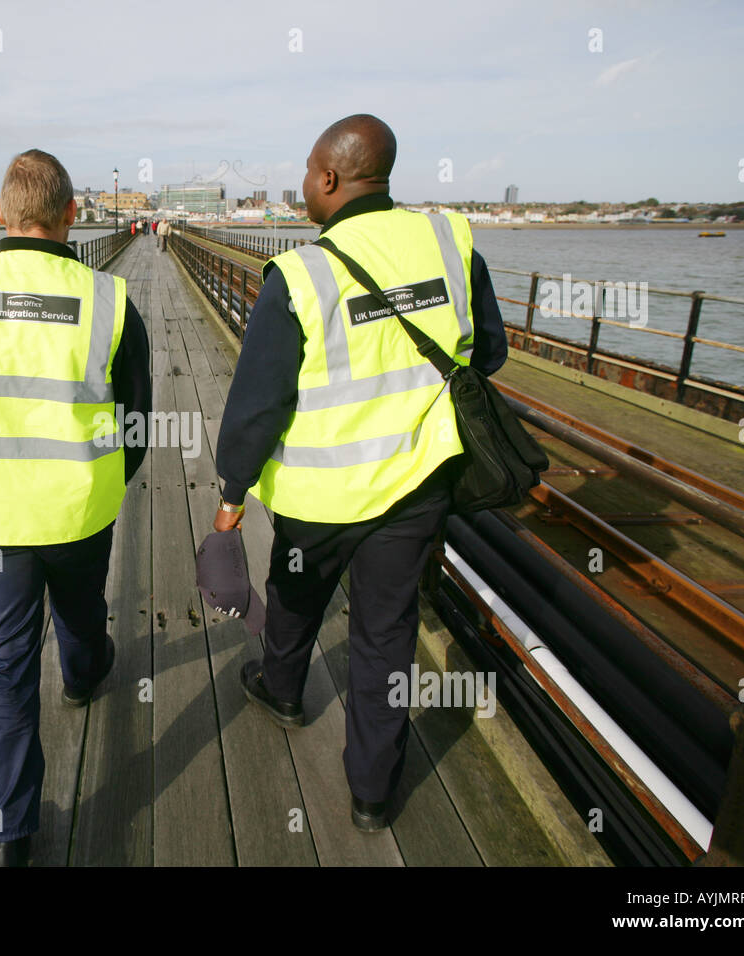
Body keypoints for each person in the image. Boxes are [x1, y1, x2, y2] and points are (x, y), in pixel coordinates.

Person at [212, 114, 507, 833]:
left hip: (320, 493)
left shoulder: (303, 273)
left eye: (308, 172)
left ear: (332, 178)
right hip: (414, 486)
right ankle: (373, 793)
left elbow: (259, 405)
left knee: (294, 593)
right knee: (387, 633)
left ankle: (282, 691)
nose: (304, 185)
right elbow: (487, 351)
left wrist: (231, 495)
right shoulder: (449, 241)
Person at [0, 148, 151, 866]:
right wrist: (107, 475)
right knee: (79, 604)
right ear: (74, 214)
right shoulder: (108, 300)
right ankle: (82, 675)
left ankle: (8, 837)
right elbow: (137, 415)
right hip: (78, 507)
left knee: (4, 663)